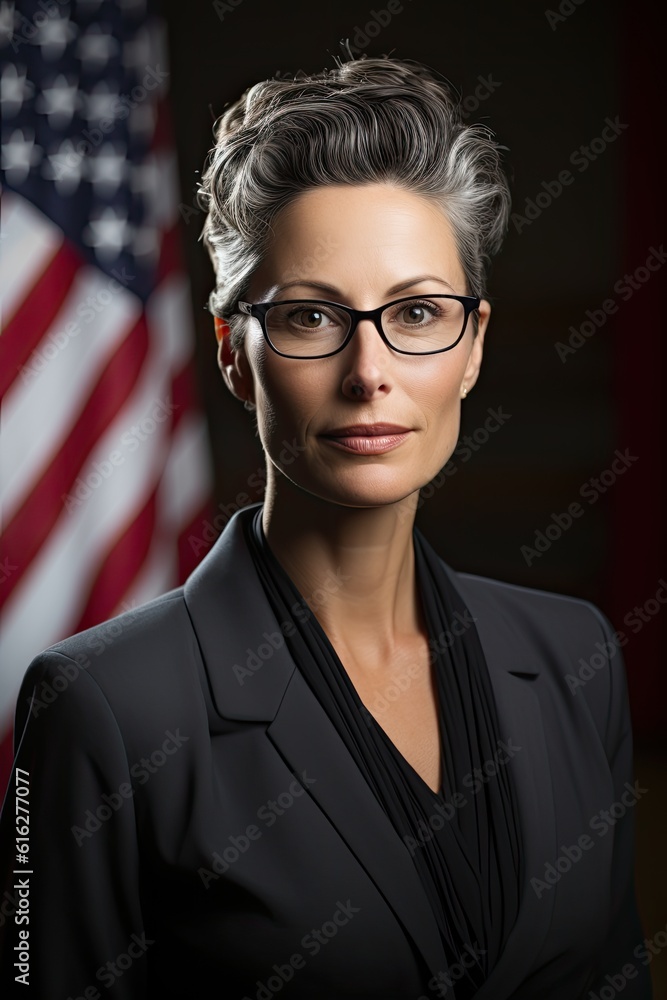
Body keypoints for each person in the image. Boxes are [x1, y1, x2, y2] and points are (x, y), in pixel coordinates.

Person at [0, 54, 651, 1000]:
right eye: (310, 317)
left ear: (471, 348)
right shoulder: (105, 706)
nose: (368, 371)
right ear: (234, 355)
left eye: (418, 313)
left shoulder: (572, 657)